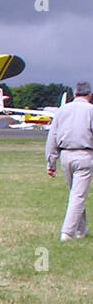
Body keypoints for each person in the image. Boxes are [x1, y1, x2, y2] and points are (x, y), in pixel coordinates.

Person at [44, 80, 93, 241]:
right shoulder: (90, 110)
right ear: (90, 95)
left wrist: (50, 162)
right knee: (78, 196)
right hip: (85, 155)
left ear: (74, 94)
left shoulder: (62, 110)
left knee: (76, 193)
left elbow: (53, 137)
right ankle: (67, 232)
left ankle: (81, 229)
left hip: (66, 156)